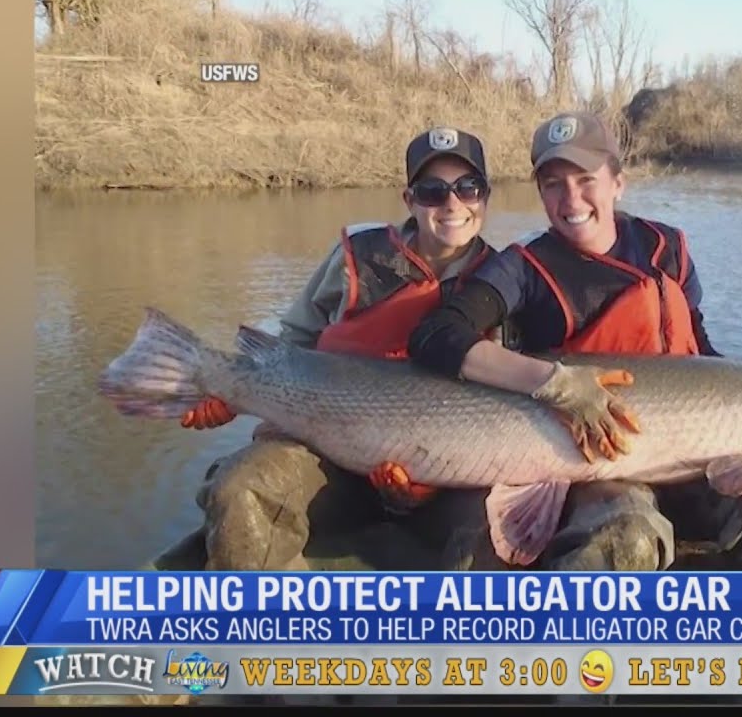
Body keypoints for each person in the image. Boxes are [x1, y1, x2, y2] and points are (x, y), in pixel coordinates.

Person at [407, 110, 742, 572]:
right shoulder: (522, 266)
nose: (571, 199)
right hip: (595, 462)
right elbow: (437, 335)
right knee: (627, 534)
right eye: (553, 184)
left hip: (693, 452)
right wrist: (553, 383)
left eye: (585, 179)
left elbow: (699, 347)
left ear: (617, 182)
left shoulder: (667, 248)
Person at [179, 126, 515, 571]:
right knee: (239, 488)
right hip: (329, 455)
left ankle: (456, 637)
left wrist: (435, 477)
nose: (452, 204)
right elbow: (295, 344)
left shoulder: (507, 279)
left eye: (468, 188)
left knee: (502, 533)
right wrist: (232, 392)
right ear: (409, 200)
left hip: (450, 474)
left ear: (486, 196)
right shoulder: (357, 254)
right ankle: (249, 630)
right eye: (432, 191)